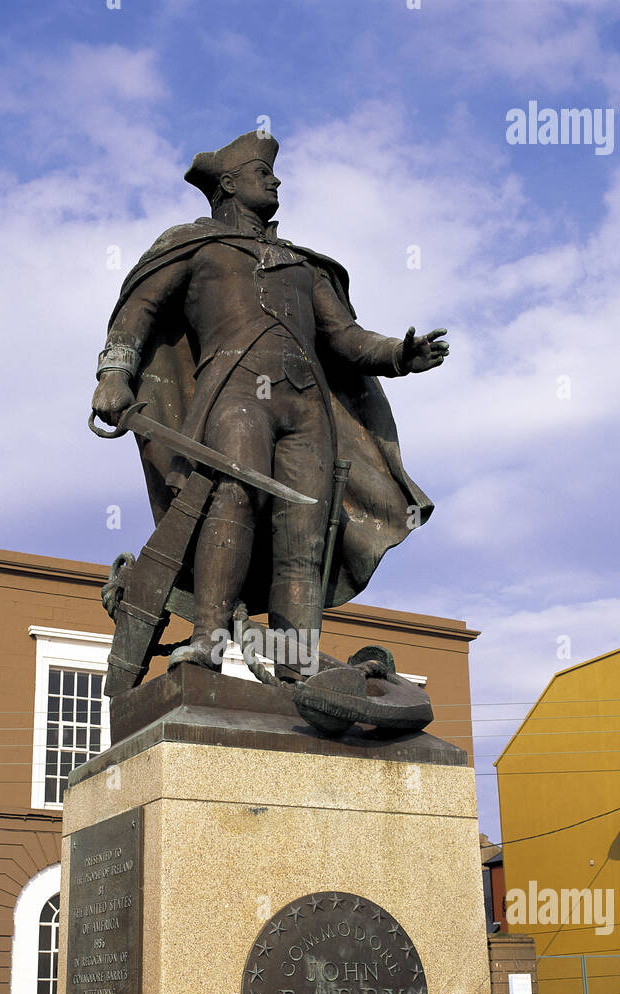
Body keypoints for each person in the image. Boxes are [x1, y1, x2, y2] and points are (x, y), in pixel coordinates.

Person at [91, 131, 448, 678]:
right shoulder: (196, 247)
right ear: (231, 184)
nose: (276, 180)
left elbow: (347, 339)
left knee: (305, 532)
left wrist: (400, 354)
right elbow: (136, 312)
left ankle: (294, 661)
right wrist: (113, 375)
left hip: (309, 411)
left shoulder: (303, 266)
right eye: (264, 173)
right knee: (231, 499)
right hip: (233, 396)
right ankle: (209, 638)